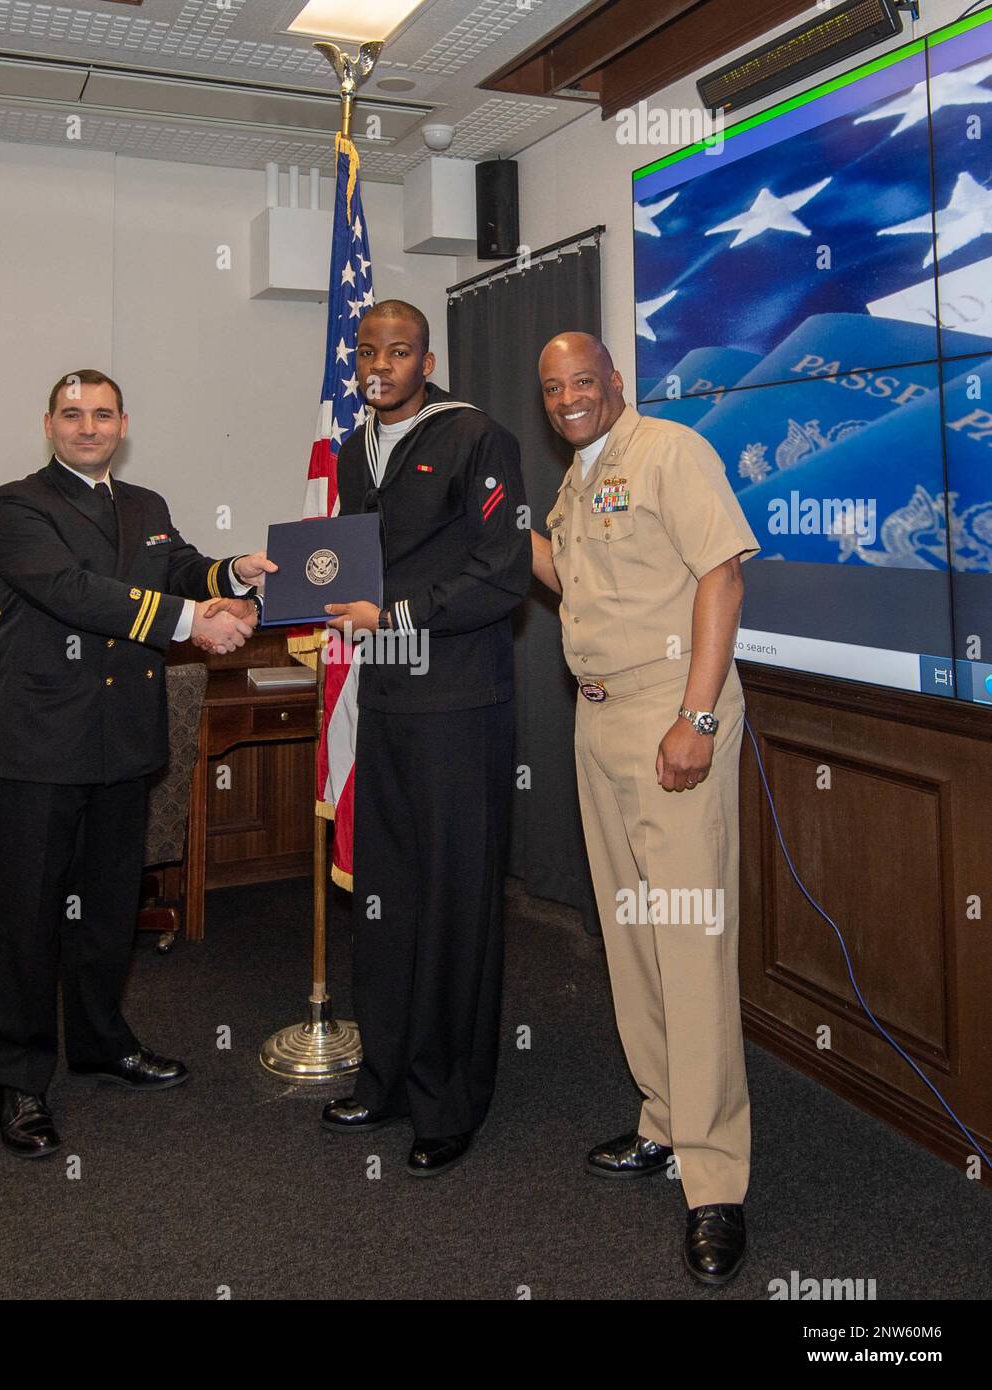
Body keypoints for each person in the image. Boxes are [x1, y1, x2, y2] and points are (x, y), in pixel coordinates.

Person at [0, 368, 271, 1158]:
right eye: (72, 415)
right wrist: (193, 623)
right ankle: (16, 1076)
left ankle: (104, 1043)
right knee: (29, 918)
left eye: (102, 414)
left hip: (123, 742)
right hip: (44, 744)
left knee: (107, 911)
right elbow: (75, 592)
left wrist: (231, 576)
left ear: (123, 423)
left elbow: (177, 567)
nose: (88, 427)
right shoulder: (15, 505)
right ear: (48, 424)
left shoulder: (145, 507)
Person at [532, 332, 758, 1283]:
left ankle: (715, 1182)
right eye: (554, 389)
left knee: (690, 941)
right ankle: (663, 1123)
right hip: (598, 721)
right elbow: (575, 582)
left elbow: (722, 576)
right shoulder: (579, 482)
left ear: (616, 382)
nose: (570, 398)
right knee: (632, 933)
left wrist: (696, 717)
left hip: (672, 715)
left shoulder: (671, 451)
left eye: (585, 381)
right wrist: (502, 536)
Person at [321, 300, 530, 1176]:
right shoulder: (349, 451)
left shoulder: (479, 436)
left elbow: (502, 574)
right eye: (368, 351)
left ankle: (449, 1098)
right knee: (386, 900)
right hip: (388, 707)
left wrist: (393, 615)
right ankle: (388, 1074)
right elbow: (340, 563)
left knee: (453, 906)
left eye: (398, 351)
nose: (381, 365)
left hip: (459, 706)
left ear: (426, 358)